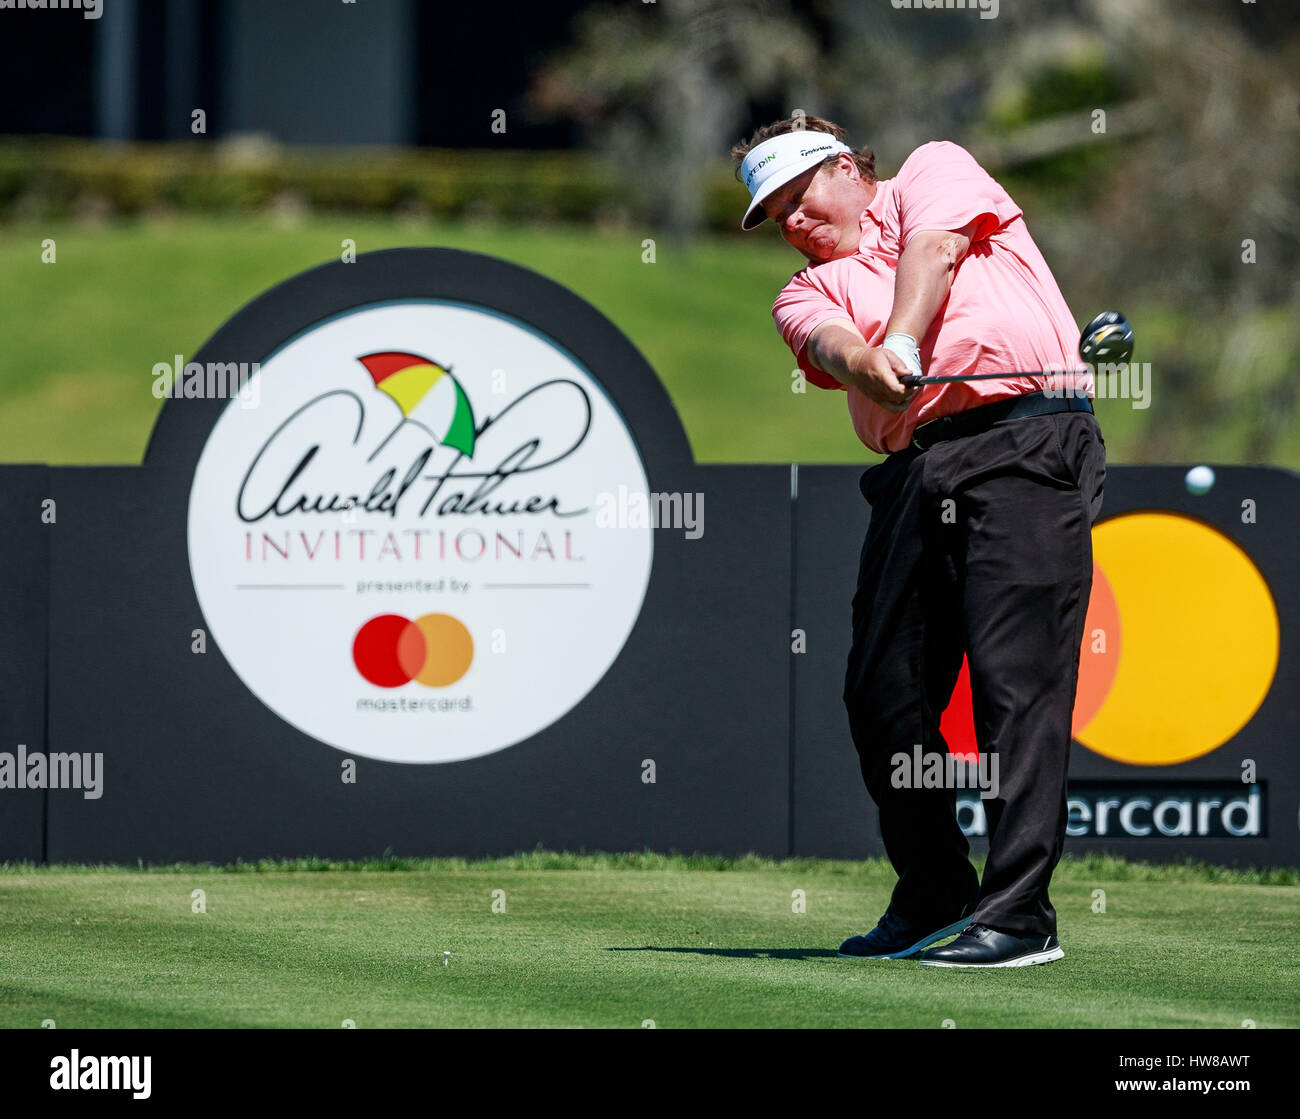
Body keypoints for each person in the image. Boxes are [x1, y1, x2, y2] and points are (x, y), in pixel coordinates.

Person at [732, 115, 1105, 967]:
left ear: (843, 166)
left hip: (1026, 438)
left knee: (1016, 688)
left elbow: (933, 252)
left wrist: (902, 337)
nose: (791, 220)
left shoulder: (934, 169)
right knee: (881, 695)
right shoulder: (803, 290)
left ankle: (1019, 917)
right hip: (917, 468)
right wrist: (871, 365)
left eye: (796, 195)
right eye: (774, 213)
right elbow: (831, 347)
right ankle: (937, 884)